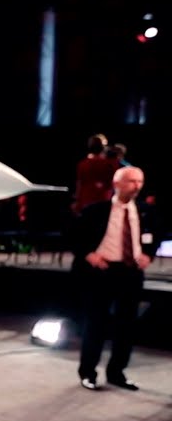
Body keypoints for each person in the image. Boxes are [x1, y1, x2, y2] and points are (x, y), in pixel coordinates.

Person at [69, 165, 158, 392]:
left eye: (140, 181)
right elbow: (74, 236)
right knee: (96, 324)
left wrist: (148, 254)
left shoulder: (146, 211)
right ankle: (88, 372)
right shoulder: (96, 211)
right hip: (103, 272)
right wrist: (90, 255)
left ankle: (117, 372)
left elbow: (155, 235)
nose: (137, 186)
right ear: (117, 184)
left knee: (126, 325)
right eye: (131, 181)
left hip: (131, 272)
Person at [73, 133, 119, 215]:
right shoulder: (109, 164)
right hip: (102, 201)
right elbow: (113, 184)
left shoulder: (82, 164)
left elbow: (79, 184)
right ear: (103, 147)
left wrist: (77, 201)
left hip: (86, 201)